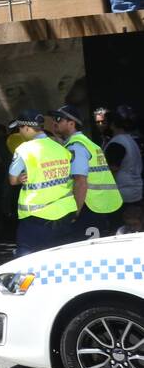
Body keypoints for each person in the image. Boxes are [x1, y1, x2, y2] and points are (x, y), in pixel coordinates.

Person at [8, 109, 78, 257]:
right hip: (65, 212)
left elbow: (12, 180)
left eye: (19, 128)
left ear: (27, 128)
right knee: (60, 257)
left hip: (36, 216)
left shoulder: (23, 150)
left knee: (26, 260)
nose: (19, 133)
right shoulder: (60, 147)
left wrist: (20, 178)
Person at [49, 104, 122, 239]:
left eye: (59, 119)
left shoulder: (76, 147)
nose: (54, 122)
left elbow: (80, 182)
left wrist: (75, 212)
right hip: (100, 205)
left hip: (88, 208)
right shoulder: (87, 143)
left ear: (71, 123)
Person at [105, 106, 144, 216]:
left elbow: (113, 169)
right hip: (135, 191)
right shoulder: (130, 140)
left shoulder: (117, 143)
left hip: (122, 195)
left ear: (112, 125)